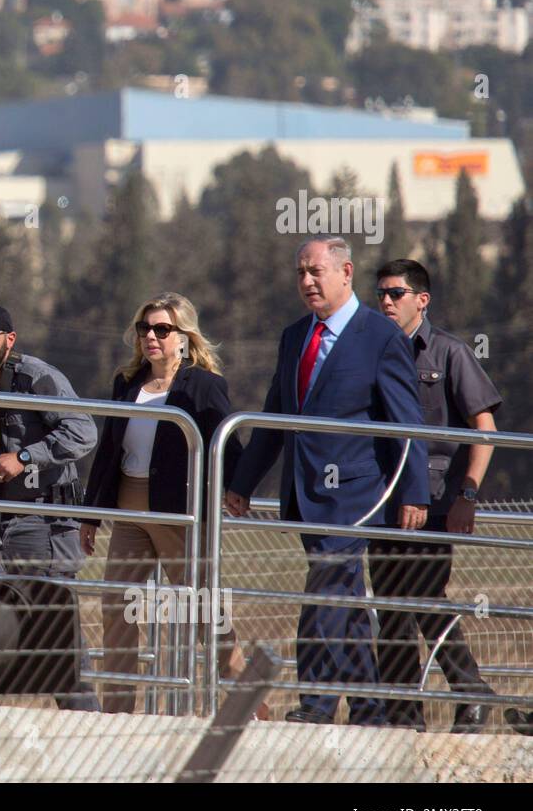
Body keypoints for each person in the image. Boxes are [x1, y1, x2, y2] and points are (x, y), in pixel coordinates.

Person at [225, 235, 430, 726]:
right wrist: (243, 481)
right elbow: (278, 412)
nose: (307, 281)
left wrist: (413, 491)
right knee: (345, 598)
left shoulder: (380, 336)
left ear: (346, 272)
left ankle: (315, 705)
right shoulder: (295, 335)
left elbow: (408, 422)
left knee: (325, 589)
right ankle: (369, 708)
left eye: (316, 271)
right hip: (305, 490)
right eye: (300, 273)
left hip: (356, 493)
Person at [81, 293, 253, 714]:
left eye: (162, 329)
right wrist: (90, 513)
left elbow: (227, 445)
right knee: (117, 604)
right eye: (144, 328)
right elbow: (108, 450)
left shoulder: (205, 385)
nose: (151, 337)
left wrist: (237, 488)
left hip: (180, 512)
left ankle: (251, 701)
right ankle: (117, 712)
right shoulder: (127, 381)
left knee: (200, 610)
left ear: (184, 337)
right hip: (129, 508)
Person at [0, 303, 100, 711]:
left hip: (43, 523)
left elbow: (83, 431)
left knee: (54, 631)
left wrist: (25, 458)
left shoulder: (38, 379)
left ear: (9, 339)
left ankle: (85, 728)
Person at [372, 259, 500, 732]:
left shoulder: (449, 352)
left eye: (396, 294)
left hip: (434, 497)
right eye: (381, 293)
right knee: (390, 606)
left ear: (421, 300)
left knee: (425, 596)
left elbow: (484, 428)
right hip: (381, 496)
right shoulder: (372, 350)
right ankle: (407, 716)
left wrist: (467, 493)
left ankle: (471, 693)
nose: (386, 301)